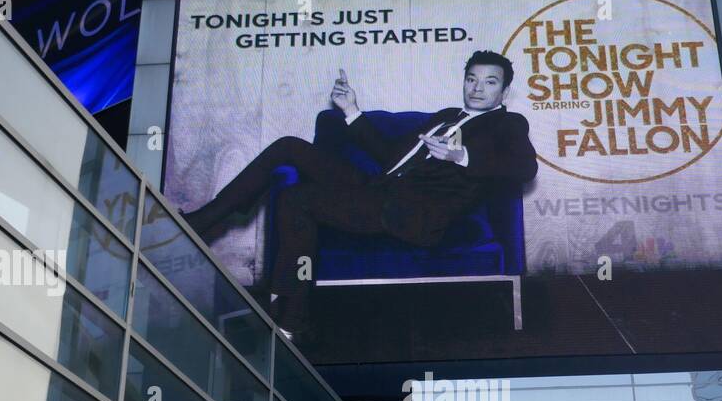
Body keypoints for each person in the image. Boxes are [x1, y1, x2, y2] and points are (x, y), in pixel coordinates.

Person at [181, 51, 539, 335]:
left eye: (489, 82)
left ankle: (293, 314)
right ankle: (207, 219)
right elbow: (388, 156)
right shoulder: (445, 115)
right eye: (471, 79)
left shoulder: (507, 125)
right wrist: (351, 109)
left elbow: (525, 169)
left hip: (412, 213)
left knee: (297, 198)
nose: (477, 88)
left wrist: (460, 156)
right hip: (379, 188)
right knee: (289, 145)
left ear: (504, 92)